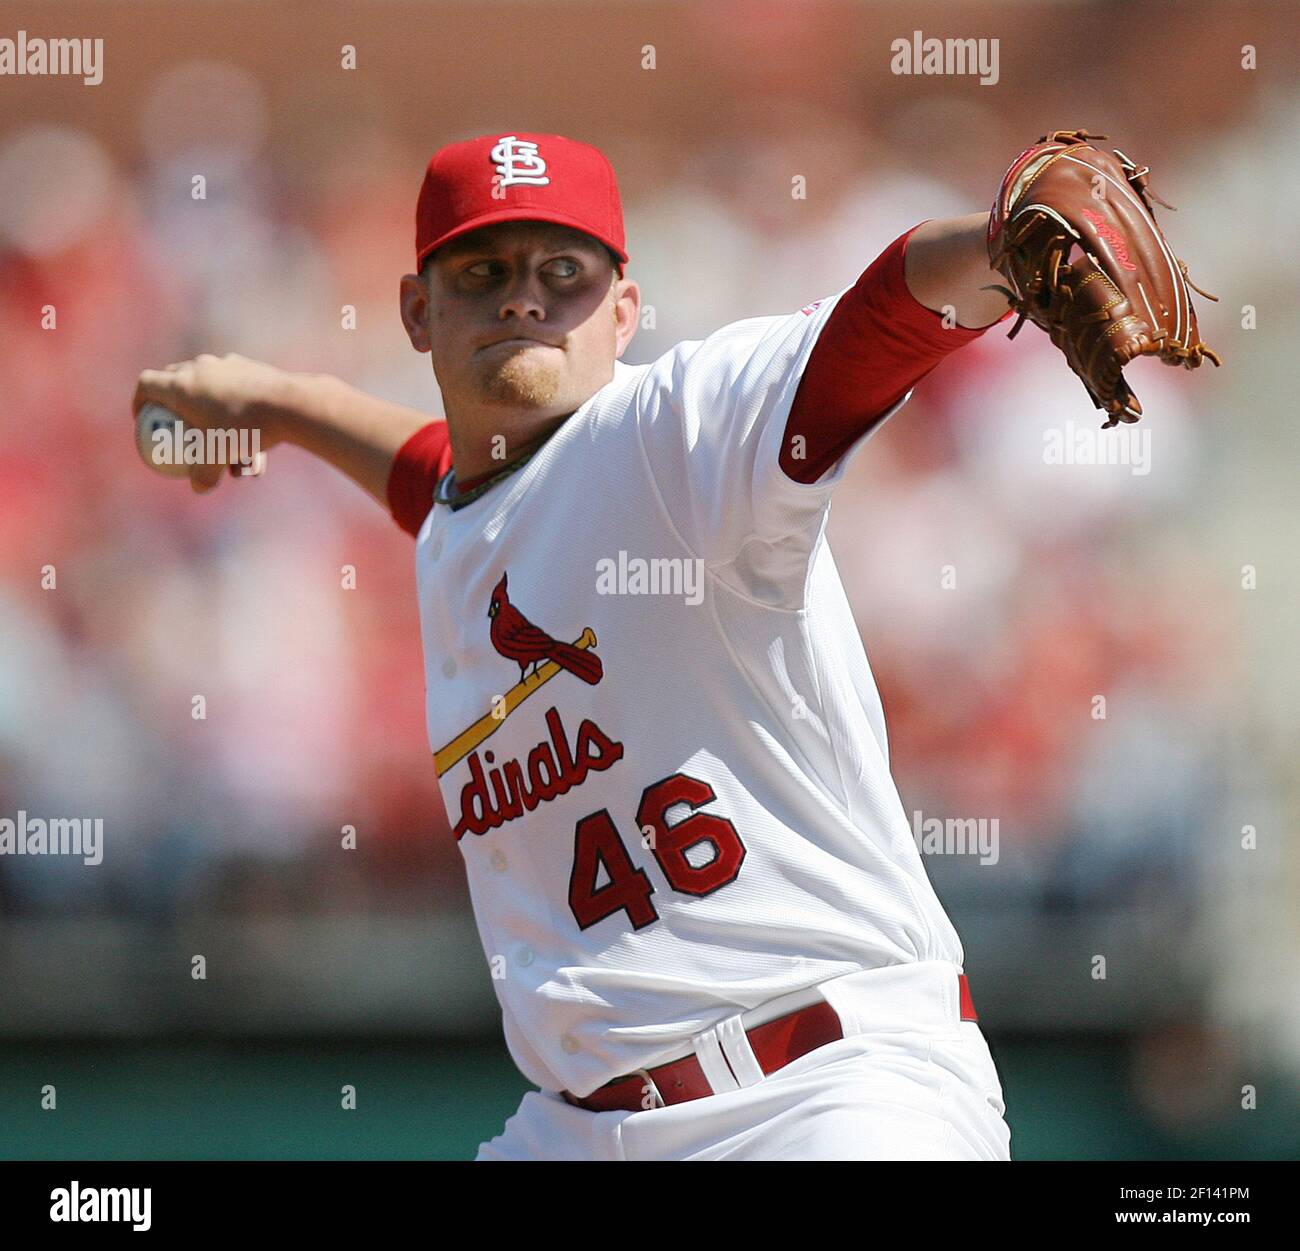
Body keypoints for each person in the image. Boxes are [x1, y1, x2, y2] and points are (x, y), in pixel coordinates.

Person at [134, 130, 1016, 1160]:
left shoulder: (674, 431)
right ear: (419, 313)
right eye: (482, 272)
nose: (523, 299)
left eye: (564, 272)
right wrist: (285, 402)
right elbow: (441, 480)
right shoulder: (469, 515)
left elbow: (873, 326)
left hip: (827, 1095)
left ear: (626, 311)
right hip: (577, 1128)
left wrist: (997, 247)